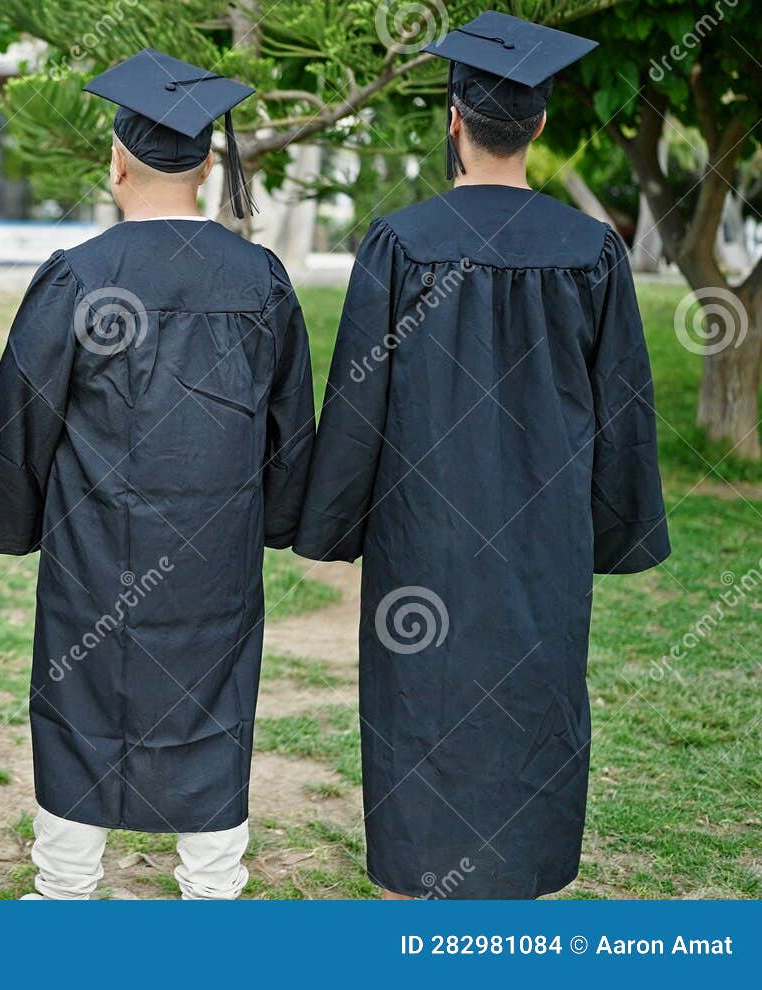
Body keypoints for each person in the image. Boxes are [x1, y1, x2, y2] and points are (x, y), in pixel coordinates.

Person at [293, 11, 670, 899]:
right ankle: (521, 890)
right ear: (537, 125)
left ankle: (428, 892)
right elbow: (624, 409)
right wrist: (613, 532)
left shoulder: (400, 242)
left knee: (423, 703)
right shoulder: (591, 250)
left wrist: (331, 521)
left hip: (423, 546)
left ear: (453, 120)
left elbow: (357, 407)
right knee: (532, 698)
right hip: (544, 546)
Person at [0, 49, 315, 899]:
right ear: (210, 164)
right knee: (213, 699)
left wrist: (18, 528)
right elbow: (291, 421)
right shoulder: (260, 279)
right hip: (218, 549)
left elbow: (24, 417)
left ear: (116, 160)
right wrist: (272, 521)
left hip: (96, 543)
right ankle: (211, 888)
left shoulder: (78, 275)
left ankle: (64, 890)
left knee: (83, 695)